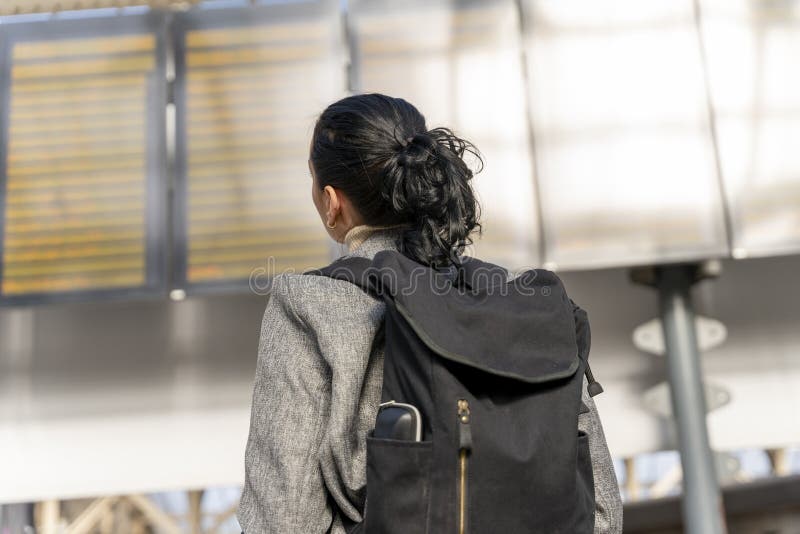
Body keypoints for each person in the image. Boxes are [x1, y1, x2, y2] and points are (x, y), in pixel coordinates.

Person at [236, 93, 623, 533]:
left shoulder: (309, 304)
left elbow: (284, 520)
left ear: (331, 201)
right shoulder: (522, 300)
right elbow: (602, 509)